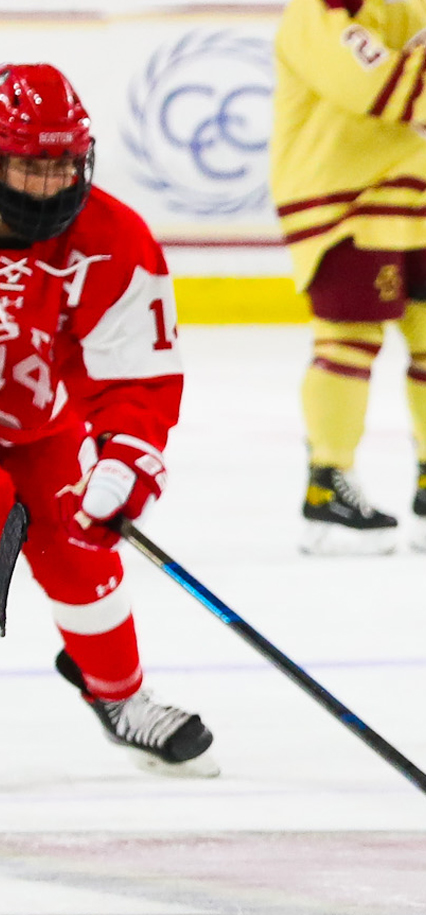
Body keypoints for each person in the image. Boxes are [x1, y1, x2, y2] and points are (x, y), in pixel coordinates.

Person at [0, 65, 217, 775]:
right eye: (31, 165)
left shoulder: (112, 236)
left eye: (63, 163)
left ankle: (119, 698)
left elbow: (136, 373)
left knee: (83, 545)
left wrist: (125, 456)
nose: (50, 184)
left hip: (43, 426)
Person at [271, 0, 426, 555]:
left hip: (404, 195)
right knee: (350, 337)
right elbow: (384, 89)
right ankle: (326, 489)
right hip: (342, 198)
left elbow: (418, 98)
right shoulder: (321, 10)